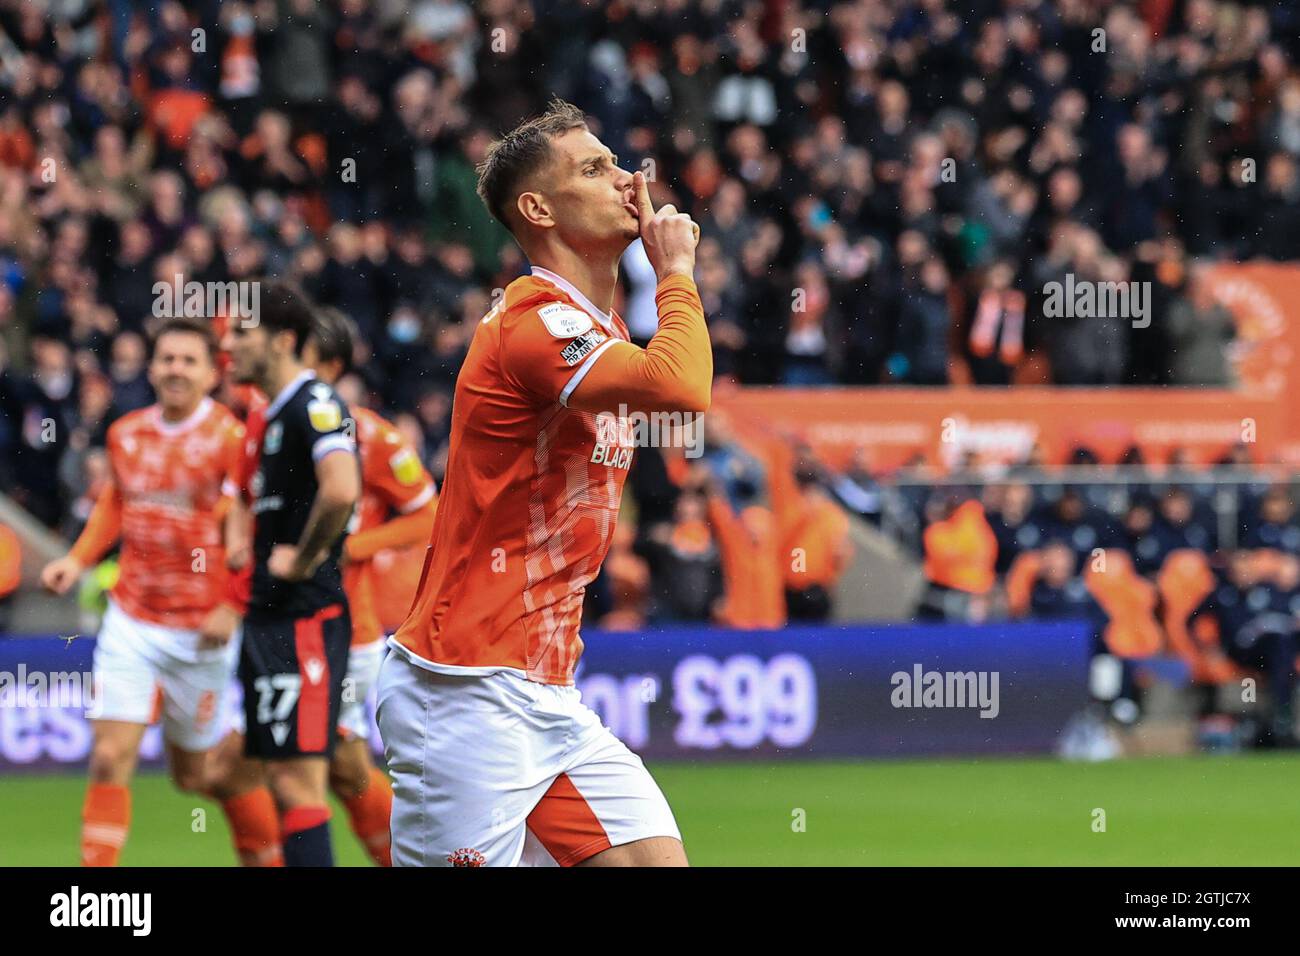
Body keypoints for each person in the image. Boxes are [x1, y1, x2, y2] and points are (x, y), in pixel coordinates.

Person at [376, 98, 711, 867]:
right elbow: (682, 386)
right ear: (538, 208)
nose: (628, 180)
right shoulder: (535, 323)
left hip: (545, 689)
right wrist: (677, 273)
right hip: (463, 691)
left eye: (618, 161)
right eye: (595, 169)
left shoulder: (594, 329)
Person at [39, 318, 248, 866]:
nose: (175, 369)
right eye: (167, 358)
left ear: (212, 373)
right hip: (132, 618)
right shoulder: (125, 432)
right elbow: (116, 502)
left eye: (188, 360)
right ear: (152, 367)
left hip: (202, 628)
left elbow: (249, 528)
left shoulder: (231, 439)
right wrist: (77, 559)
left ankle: (267, 798)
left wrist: (233, 603)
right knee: (109, 756)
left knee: (195, 777)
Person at [219, 280, 360, 866]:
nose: (228, 346)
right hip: (269, 617)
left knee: (301, 784)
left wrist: (302, 558)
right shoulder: (268, 416)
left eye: (241, 334)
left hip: (305, 617)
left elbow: (342, 489)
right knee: (248, 776)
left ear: (282, 341)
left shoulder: (314, 402)